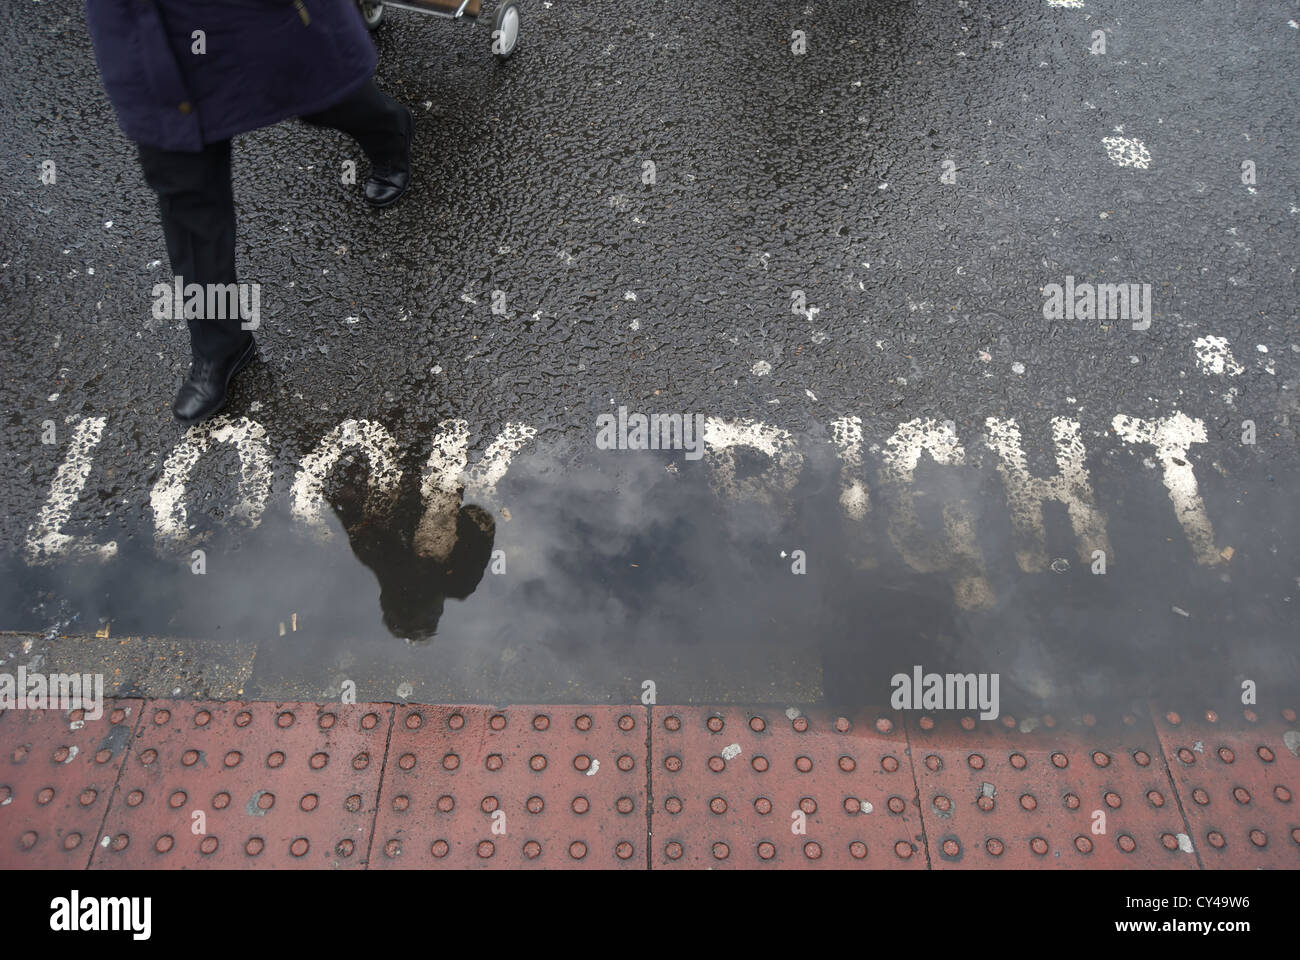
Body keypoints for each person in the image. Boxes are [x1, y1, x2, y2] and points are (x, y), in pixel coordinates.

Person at [84, 0, 413, 424]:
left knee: (324, 92)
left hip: (244, 12)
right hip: (150, 31)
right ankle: (219, 344)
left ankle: (389, 130)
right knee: (184, 184)